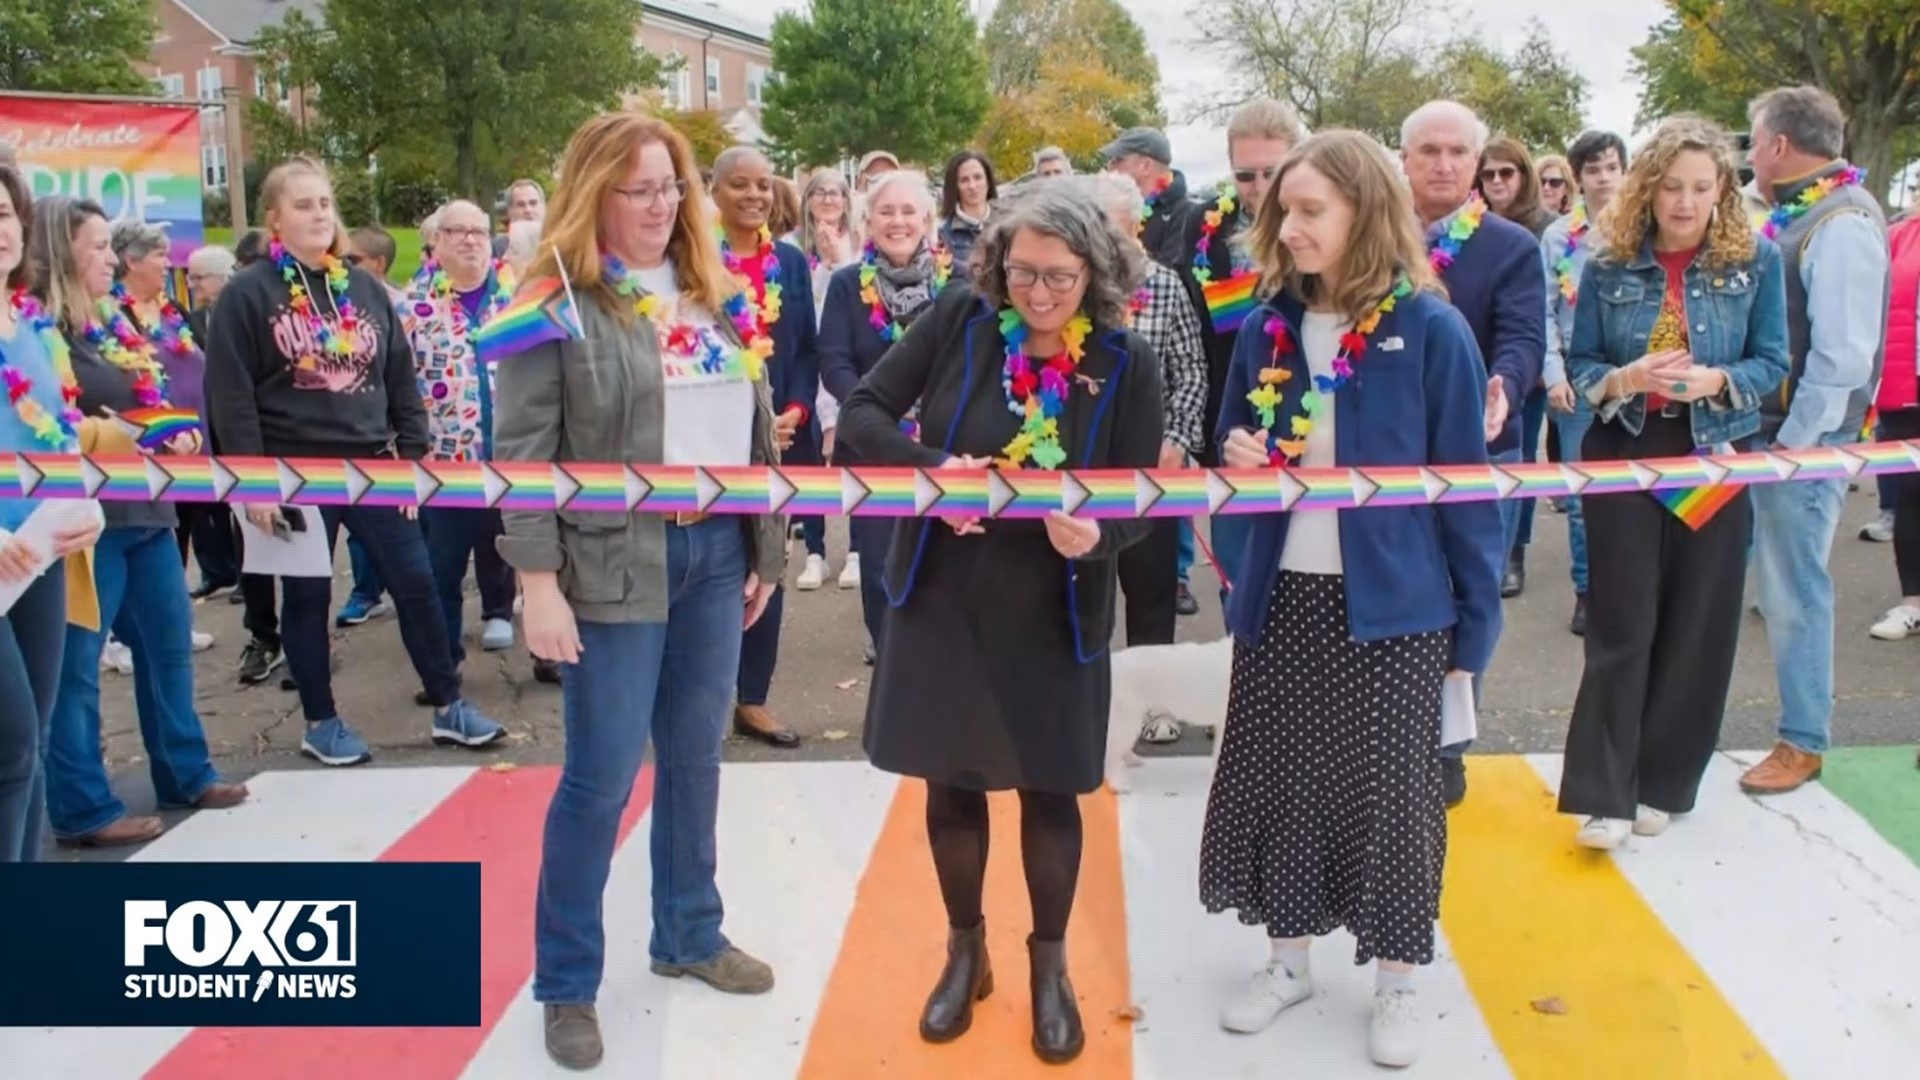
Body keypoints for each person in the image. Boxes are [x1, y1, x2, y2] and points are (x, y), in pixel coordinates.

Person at [1198, 129, 1504, 1070]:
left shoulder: (1433, 328)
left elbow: (1466, 486)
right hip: (1284, 595)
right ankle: (1288, 962)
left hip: (1402, 610)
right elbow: (1232, 439)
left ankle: (1400, 979)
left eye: (1308, 210)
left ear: (1365, 213)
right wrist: (1239, 456)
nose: (1288, 227)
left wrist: (1475, 628)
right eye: (1282, 209)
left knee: (1397, 798)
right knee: (1285, 778)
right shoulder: (1266, 325)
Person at [838, 181, 1162, 1064]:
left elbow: (1144, 502)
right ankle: (965, 950)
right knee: (953, 781)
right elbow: (860, 419)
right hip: (944, 595)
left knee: (1052, 789)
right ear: (996, 262)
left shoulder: (1129, 361)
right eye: (1021, 271)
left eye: (1059, 276)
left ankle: (1048, 970)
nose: (1039, 293)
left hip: (1054, 610)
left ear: (1095, 270)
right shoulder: (959, 321)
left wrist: (1097, 534)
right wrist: (935, 470)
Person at [491, 112, 787, 1070]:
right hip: (614, 565)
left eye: (671, 187)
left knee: (696, 760)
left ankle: (689, 934)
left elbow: (753, 431)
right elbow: (524, 450)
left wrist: (762, 547)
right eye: (638, 189)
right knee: (601, 778)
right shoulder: (557, 297)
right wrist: (537, 582)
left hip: (713, 561)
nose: (660, 206)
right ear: (594, 195)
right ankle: (567, 982)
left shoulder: (717, 288)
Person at [204, 157, 505, 766]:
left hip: (373, 465)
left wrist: (412, 456)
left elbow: (400, 378)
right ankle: (320, 721)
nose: (318, 215)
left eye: (324, 204)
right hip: (292, 471)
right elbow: (229, 393)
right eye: (303, 205)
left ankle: (449, 704)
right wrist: (252, 483)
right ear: (275, 219)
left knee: (417, 583)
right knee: (309, 598)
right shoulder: (246, 295)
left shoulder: (362, 289)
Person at [1556, 116, 1790, 849]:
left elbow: (1773, 362)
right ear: (1647, 189)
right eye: (1672, 187)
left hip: (1714, 453)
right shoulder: (1609, 265)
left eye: (1701, 187)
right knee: (1621, 622)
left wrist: (1720, 380)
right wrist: (1623, 378)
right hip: (1625, 448)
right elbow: (1583, 365)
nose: (1685, 203)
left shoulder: (1758, 261)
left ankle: (1664, 783)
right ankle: (1606, 794)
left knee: (1698, 622)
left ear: (1723, 189)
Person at [32, 195, 250, 846]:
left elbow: (149, 398)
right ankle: (82, 806)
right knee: (76, 671)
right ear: (57, 251)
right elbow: (57, 423)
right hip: (84, 525)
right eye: (96, 246)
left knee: (168, 648)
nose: (111, 257)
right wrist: (129, 431)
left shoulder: (112, 322)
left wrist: (170, 431)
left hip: (148, 513)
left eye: (110, 245)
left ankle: (186, 771)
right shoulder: (40, 327)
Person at [1738, 85, 1892, 796]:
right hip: (1776, 438)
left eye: (1752, 139)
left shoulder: (1843, 222)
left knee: (1796, 592)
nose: (1749, 153)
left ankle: (1803, 740)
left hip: (1804, 445)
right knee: (1775, 589)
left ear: (1778, 145)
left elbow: (1842, 359)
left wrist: (1792, 448)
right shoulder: (1797, 212)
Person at [1400, 100, 1546, 807]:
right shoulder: (1376, 235)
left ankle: (1450, 743)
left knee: (1470, 593)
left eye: (1459, 152)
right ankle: (1393, 731)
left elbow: (1523, 336)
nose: (1444, 164)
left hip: (1479, 448)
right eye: (1428, 150)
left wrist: (1504, 385)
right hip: (1390, 452)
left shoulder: (1510, 246)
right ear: (1404, 159)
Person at [0, 166, 118, 862]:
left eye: (7, 213)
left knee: (32, 745)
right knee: (11, 743)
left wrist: (87, 507)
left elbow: (58, 433)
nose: (1, 229)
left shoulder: (33, 324)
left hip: (40, 552)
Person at [819, 170, 953, 663]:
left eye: (908, 211)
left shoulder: (957, 284)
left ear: (927, 219)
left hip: (940, 446)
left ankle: (936, 661)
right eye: (886, 211)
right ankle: (892, 656)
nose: (897, 221)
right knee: (880, 566)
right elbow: (833, 360)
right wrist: (876, 417)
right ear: (868, 221)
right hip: (872, 448)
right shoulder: (846, 284)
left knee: (940, 561)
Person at [1179, 98, 1306, 616]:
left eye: (1272, 173)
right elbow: (1199, 330)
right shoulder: (1205, 227)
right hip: (1231, 422)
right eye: (1245, 175)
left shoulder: (1322, 224)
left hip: (1307, 418)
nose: (1258, 188)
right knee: (1239, 577)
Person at [711, 144, 818, 748]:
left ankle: (753, 699)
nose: (754, 196)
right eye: (740, 186)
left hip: (780, 438)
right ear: (716, 193)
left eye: (763, 186)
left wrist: (794, 410)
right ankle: (702, 694)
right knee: (713, 567)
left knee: (768, 561)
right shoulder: (696, 262)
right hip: (717, 436)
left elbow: (804, 348)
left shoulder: (793, 264)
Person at [401, 199, 520, 689]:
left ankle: (542, 649)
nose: (471, 240)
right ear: (437, 242)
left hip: (513, 460)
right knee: (440, 572)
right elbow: (399, 384)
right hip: (445, 464)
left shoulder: (515, 301)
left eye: (479, 231)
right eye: (458, 231)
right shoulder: (410, 307)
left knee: (529, 557)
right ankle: (443, 668)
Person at [1541, 130, 1629, 636]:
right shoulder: (1559, 236)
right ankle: (1586, 590)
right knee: (1580, 494)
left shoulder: (1642, 226)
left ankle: (1628, 587)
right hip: (1576, 379)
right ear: (1579, 178)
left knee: (1633, 491)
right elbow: (1546, 309)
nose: (1603, 178)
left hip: (1630, 377)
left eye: (1611, 167)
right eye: (1593, 170)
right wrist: (1553, 373)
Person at [938, 150, 997, 270]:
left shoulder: (1009, 225)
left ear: (988, 181)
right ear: (955, 186)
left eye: (978, 177)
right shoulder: (942, 235)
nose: (972, 186)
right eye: (964, 180)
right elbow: (943, 283)